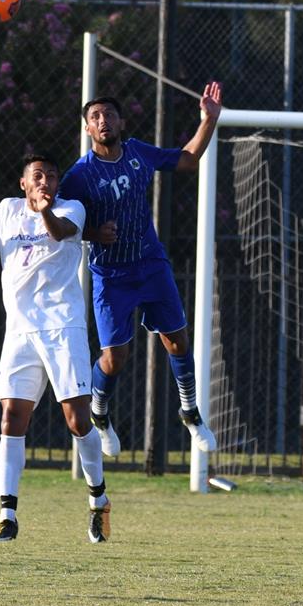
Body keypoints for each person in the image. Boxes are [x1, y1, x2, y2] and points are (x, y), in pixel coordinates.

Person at [0, 154, 110, 545]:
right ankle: (7, 516)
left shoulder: (71, 208)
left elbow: (58, 232)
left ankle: (98, 500)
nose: (45, 182)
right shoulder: (6, 211)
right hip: (20, 331)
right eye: (37, 177)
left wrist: (44, 211)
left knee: (76, 421)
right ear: (23, 183)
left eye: (51, 177)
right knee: (11, 419)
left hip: (62, 327)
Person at [59, 83, 223, 458]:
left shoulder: (138, 153)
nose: (103, 121)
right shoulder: (79, 176)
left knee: (177, 341)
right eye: (95, 117)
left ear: (121, 121)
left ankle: (191, 414)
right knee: (115, 359)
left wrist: (209, 121)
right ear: (87, 129)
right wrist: (92, 233)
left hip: (150, 264)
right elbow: (61, 226)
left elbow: (186, 159)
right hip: (110, 275)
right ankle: (100, 414)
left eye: (109, 114)